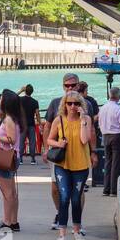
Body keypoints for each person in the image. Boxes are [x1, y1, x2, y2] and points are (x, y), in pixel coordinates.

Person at [47, 93, 95, 240]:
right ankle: (62, 233)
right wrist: (58, 144)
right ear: (64, 105)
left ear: (80, 105)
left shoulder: (86, 120)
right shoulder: (58, 120)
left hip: (80, 165)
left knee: (76, 199)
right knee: (64, 197)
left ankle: (76, 229)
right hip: (63, 165)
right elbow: (49, 139)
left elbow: (84, 140)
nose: (72, 107)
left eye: (76, 103)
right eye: (69, 103)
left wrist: (82, 120)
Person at [44, 73, 80, 227]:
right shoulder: (55, 103)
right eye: (67, 85)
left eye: (73, 85)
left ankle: (77, 221)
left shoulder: (85, 105)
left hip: (79, 153)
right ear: (63, 86)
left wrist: (92, 152)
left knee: (77, 191)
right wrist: (46, 149)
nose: (70, 88)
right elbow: (47, 126)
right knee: (55, 188)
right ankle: (61, 213)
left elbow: (91, 130)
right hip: (59, 153)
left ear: (78, 86)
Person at [0, 89, 23, 233]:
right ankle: (13, 221)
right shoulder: (13, 118)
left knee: (7, 192)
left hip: (5, 157)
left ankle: (7, 221)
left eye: (1, 98)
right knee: (12, 192)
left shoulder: (8, 119)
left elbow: (11, 140)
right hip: (12, 157)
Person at [98, 86, 120, 195]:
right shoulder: (118, 109)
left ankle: (106, 189)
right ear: (118, 96)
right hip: (117, 136)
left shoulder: (103, 108)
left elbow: (100, 122)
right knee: (116, 163)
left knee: (108, 162)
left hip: (105, 136)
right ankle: (114, 189)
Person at [18, 84, 40, 164]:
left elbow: (13, 97)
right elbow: (37, 114)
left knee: (21, 141)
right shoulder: (35, 102)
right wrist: (40, 124)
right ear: (32, 92)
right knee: (32, 142)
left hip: (22, 124)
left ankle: (20, 158)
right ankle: (33, 159)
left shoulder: (20, 100)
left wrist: (21, 90)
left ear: (25, 91)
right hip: (31, 124)